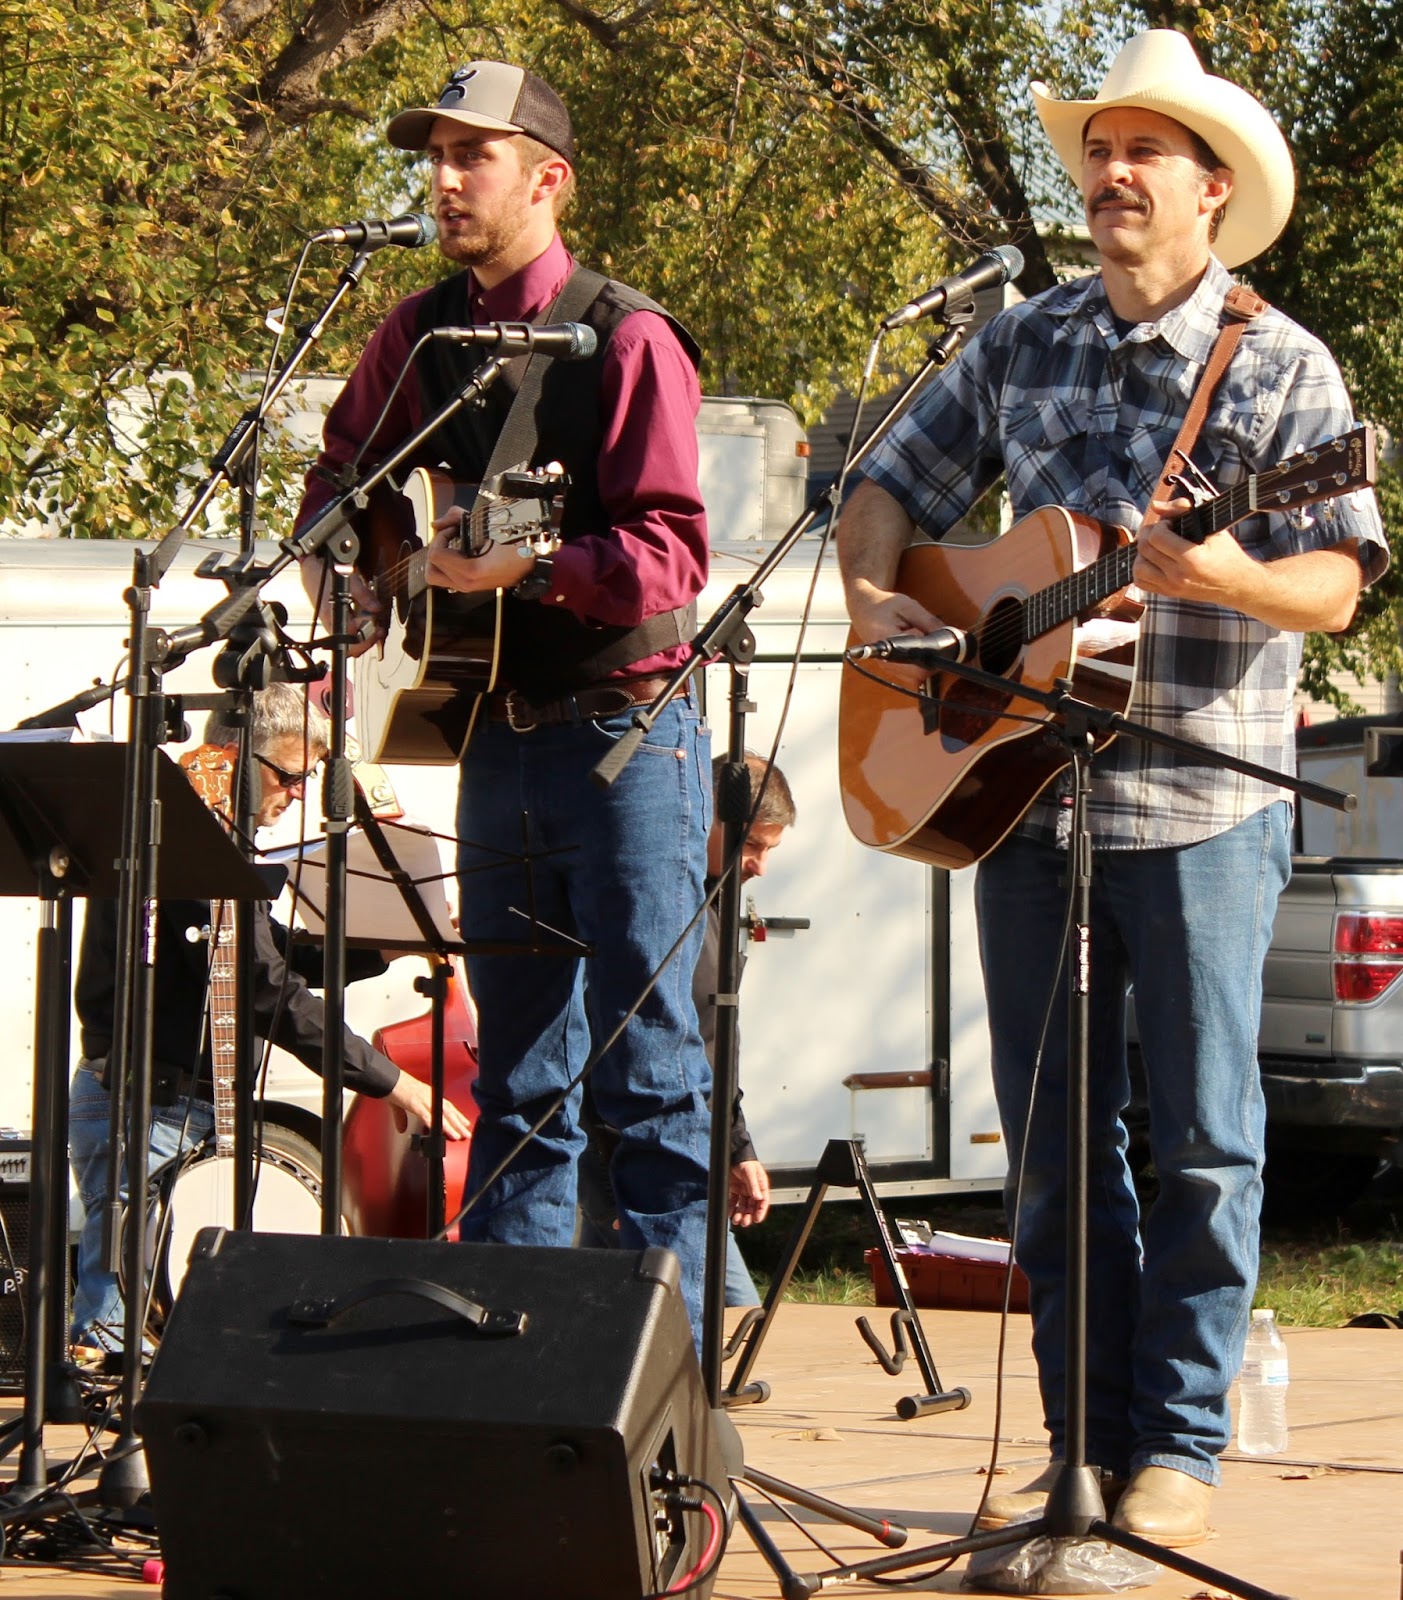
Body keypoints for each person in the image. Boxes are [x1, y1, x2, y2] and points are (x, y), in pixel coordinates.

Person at [838, 29, 1387, 1546]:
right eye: (1097, 149)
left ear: (1212, 191)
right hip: (1023, 793)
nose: (1109, 173)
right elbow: (879, 483)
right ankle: (1078, 1438)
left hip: (1201, 809)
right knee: (1052, 1140)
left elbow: (1338, 581)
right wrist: (884, 599)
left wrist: (1220, 569)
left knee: (1199, 1136)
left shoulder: (1281, 366)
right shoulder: (1024, 338)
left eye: (1143, 152)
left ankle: (1180, 1444)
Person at [295, 62, 714, 1341]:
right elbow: (339, 475)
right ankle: (516, 1370)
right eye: (433, 156)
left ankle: (665, 1387)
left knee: (646, 1076)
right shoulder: (417, 336)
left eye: (471, 156)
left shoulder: (625, 335)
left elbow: (673, 558)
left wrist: (532, 561)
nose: (441, 181)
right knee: (519, 1073)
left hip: (625, 735)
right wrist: (370, 564)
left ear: (546, 177)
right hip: (495, 738)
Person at [68, 683, 470, 1348]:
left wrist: (384, 946)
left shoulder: (194, 828)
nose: (292, 798)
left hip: (171, 1104)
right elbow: (265, 988)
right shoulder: (192, 837)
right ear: (236, 753)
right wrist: (391, 1081)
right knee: (117, 1329)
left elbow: (262, 959)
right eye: (288, 775)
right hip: (149, 1107)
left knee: (155, 1322)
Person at [577, 752, 797, 1307]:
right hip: (628, 1142)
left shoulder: (716, 900)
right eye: (752, 845)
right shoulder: (652, 902)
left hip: (668, 1138)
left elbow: (714, 1041)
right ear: (706, 818)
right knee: (730, 1314)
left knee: (608, 1312)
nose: (760, 866)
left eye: (770, 849)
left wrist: (736, 1145)